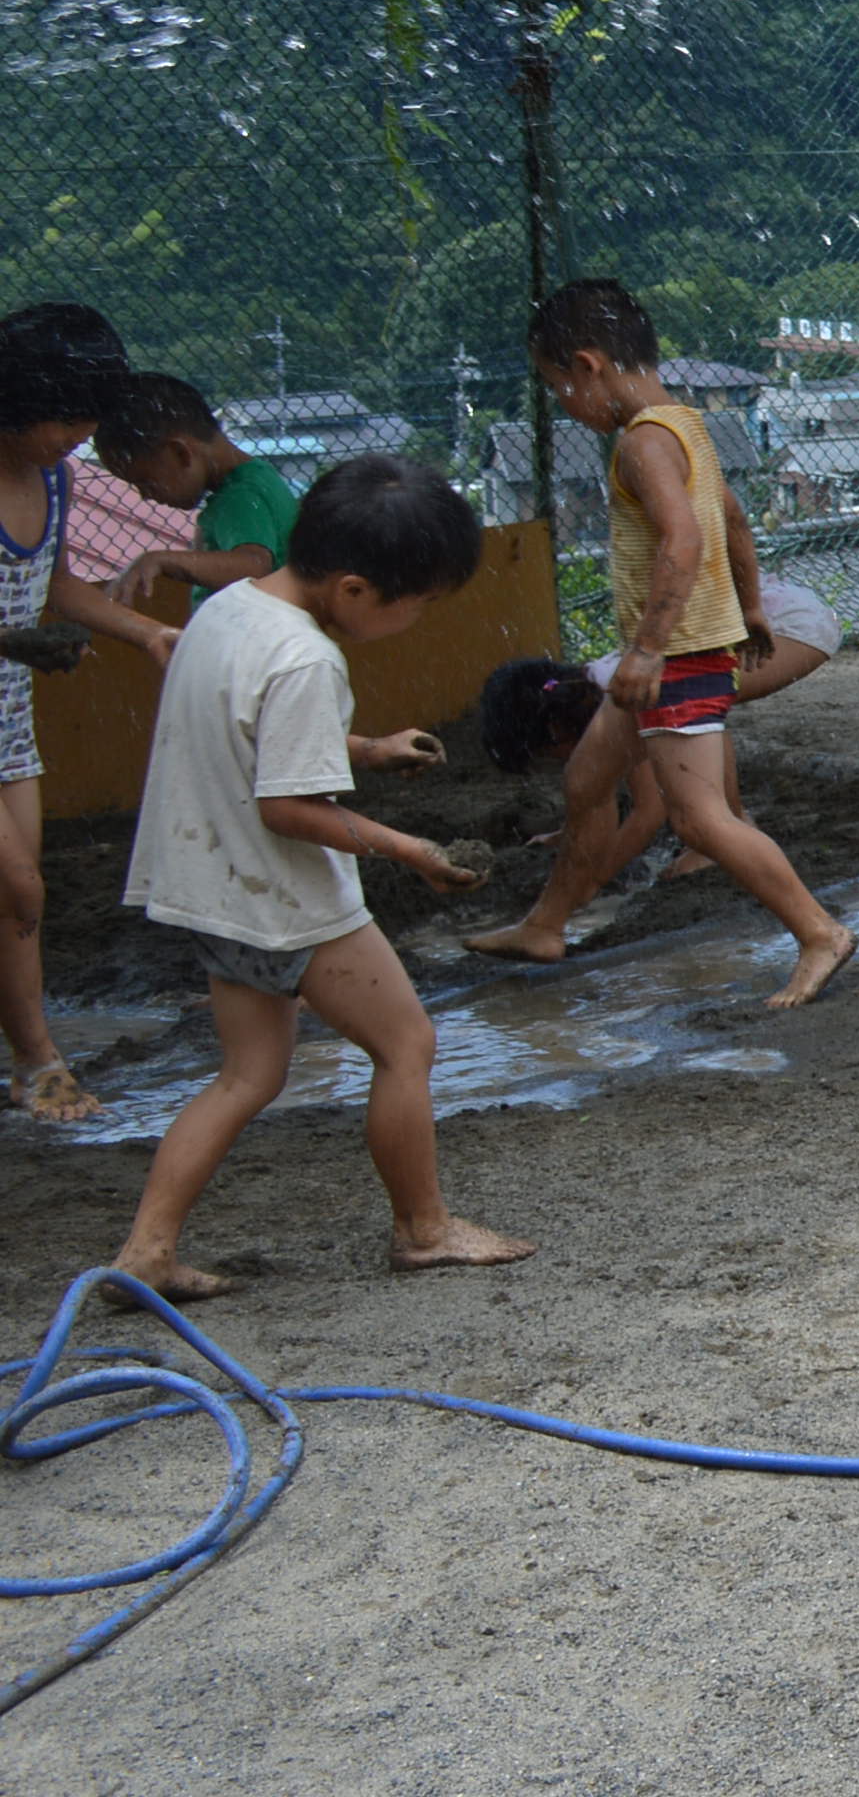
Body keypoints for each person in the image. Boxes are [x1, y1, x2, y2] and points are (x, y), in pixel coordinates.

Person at [108, 452, 531, 1298]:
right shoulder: (309, 660)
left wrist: (366, 750)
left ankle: (145, 1253)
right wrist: (412, 849)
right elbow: (290, 808)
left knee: (247, 1075)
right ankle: (425, 1230)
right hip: (284, 896)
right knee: (405, 1043)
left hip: (208, 887)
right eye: (418, 603)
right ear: (354, 590)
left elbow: (247, 730)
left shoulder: (231, 608)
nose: (418, 617)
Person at [529, 280, 859, 1007]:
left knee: (699, 820)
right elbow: (735, 519)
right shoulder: (685, 424)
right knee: (586, 780)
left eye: (558, 390)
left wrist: (646, 650)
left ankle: (818, 933)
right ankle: (544, 924)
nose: (565, 407)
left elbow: (685, 536)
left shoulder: (642, 442)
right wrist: (748, 605)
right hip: (687, 647)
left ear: (588, 366)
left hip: (674, 657)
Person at [456, 567, 842, 962]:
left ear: (555, 726)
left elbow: (648, 809)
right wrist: (569, 834)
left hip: (787, 632)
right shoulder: (604, 680)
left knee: (687, 812)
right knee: (627, 770)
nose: (553, 761)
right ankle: (546, 923)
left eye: (544, 753)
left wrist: (598, 878)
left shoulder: (627, 691)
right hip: (796, 617)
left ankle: (812, 926)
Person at [1, 303, 185, 1121]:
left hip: (9, 721)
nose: (79, 435)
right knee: (21, 889)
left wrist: (149, 634)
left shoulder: (54, 475)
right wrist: (18, 642)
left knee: (13, 907)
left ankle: (33, 1064)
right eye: (66, 419)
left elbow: (55, 586)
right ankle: (38, 1058)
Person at [93, 373, 301, 607]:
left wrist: (163, 559)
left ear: (181, 453)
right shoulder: (256, 475)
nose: (145, 495)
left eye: (146, 481)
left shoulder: (240, 497)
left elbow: (253, 565)